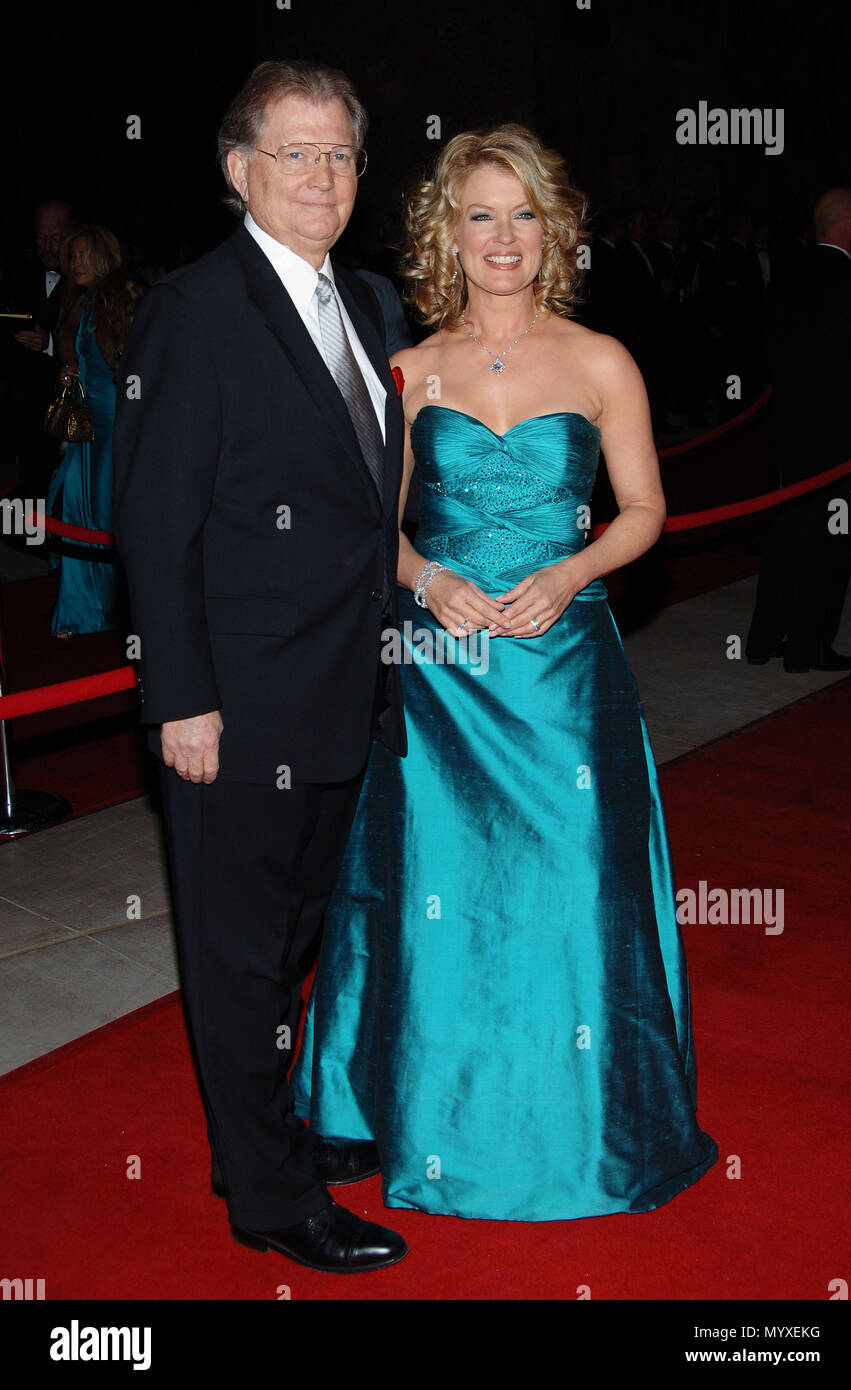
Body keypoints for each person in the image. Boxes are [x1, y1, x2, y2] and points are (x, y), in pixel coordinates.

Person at [292, 124, 718, 1221]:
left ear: (552, 229)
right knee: (437, 894)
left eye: (523, 213)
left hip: (564, 670)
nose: (503, 237)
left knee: (577, 883)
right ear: (448, 232)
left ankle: (591, 1130)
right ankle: (437, 1120)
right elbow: (371, 532)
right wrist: (426, 580)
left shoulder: (599, 359)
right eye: (481, 214)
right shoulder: (408, 369)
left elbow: (649, 514)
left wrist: (573, 570)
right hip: (437, 677)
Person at [112, 60, 409, 1274]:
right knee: (238, 953)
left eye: (340, 154)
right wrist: (180, 694)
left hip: (343, 686)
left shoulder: (375, 303)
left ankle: (276, 1125)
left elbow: (369, 503)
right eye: (294, 153)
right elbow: (153, 516)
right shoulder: (196, 307)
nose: (321, 177)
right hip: (232, 702)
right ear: (240, 173)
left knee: (294, 934)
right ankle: (268, 1195)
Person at [746, 186, 851, 671]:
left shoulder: (785, 278)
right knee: (832, 544)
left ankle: (762, 639)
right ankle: (809, 646)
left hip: (790, 434)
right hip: (844, 441)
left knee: (788, 534)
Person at [46, 225, 141, 637]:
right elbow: (82, 357)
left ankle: (120, 612)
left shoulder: (127, 297)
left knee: (105, 515)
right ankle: (82, 612)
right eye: (72, 257)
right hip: (87, 425)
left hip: (119, 422)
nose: (76, 263)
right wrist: (71, 374)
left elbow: (145, 362)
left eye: (84, 255)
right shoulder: (79, 304)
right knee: (70, 509)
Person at [0, 200, 73, 498]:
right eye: (41, 239)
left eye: (55, 238)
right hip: (27, 405)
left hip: (69, 406)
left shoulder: (84, 278)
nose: (47, 247)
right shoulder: (20, 276)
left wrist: (50, 344)